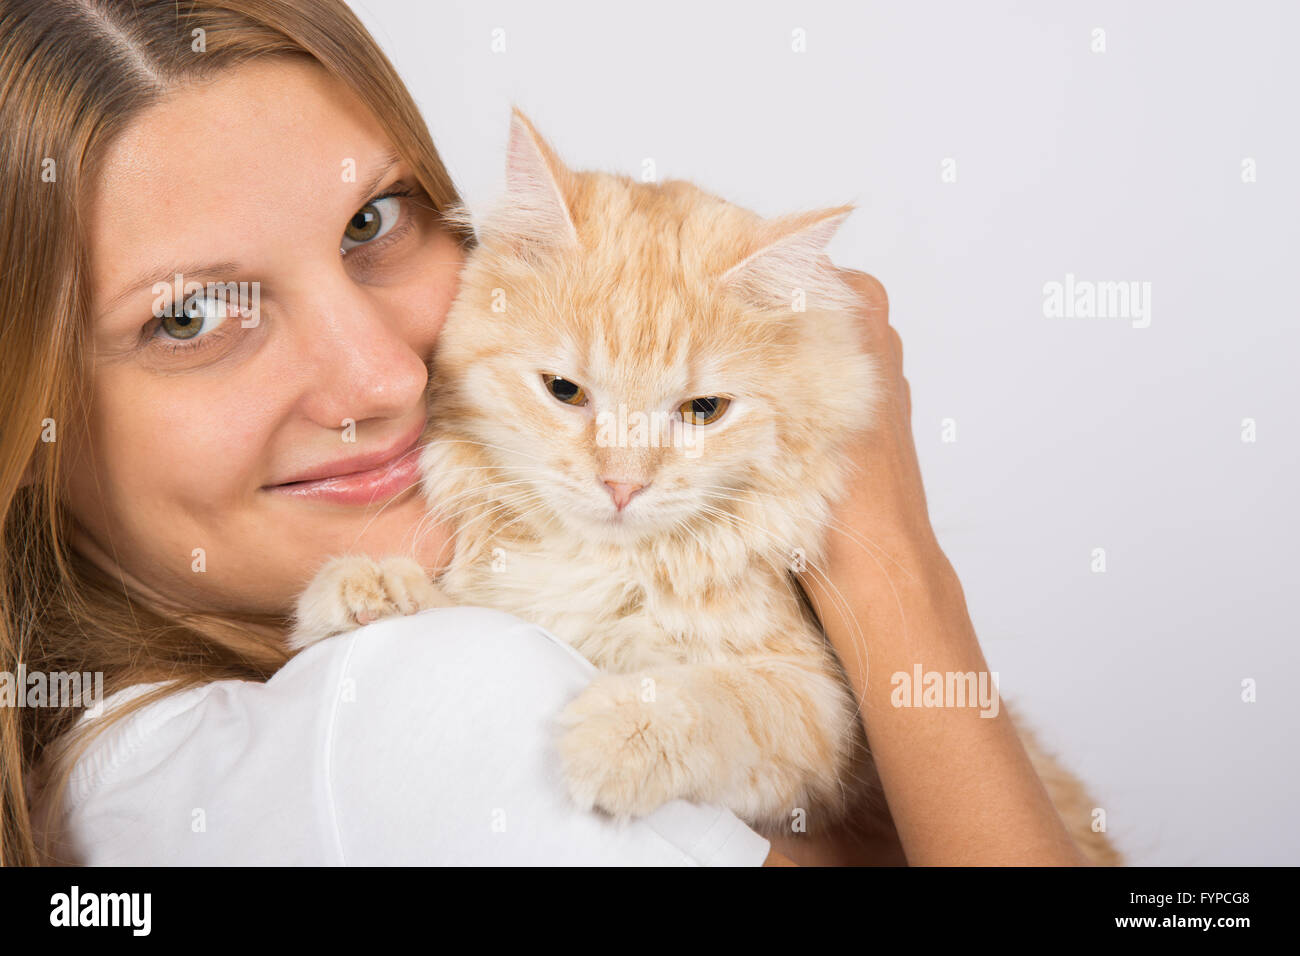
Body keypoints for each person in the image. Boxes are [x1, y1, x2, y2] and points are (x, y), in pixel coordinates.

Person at [0, 0, 1088, 866]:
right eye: (188, 316)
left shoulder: (134, 758)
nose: (388, 376)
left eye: (371, 222)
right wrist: (897, 575)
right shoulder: (424, 704)